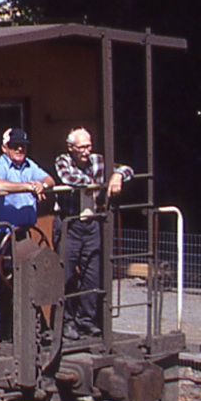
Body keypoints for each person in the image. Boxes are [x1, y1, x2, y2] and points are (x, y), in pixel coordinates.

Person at [54, 127, 133, 338]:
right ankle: (66, 322)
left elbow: (128, 170)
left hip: (91, 224)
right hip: (69, 223)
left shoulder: (98, 161)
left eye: (89, 146)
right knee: (67, 274)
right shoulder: (62, 161)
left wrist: (116, 175)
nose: (86, 151)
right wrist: (94, 183)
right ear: (71, 148)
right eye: (81, 147)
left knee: (92, 273)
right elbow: (68, 178)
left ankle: (86, 319)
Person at [0, 127, 54, 347]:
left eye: (23, 145)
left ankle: (29, 330)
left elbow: (50, 179)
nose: (20, 149)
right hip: (1, 234)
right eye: (15, 146)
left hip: (24, 235)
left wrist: (41, 184)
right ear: (5, 148)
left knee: (29, 281)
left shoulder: (29, 165)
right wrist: (27, 187)